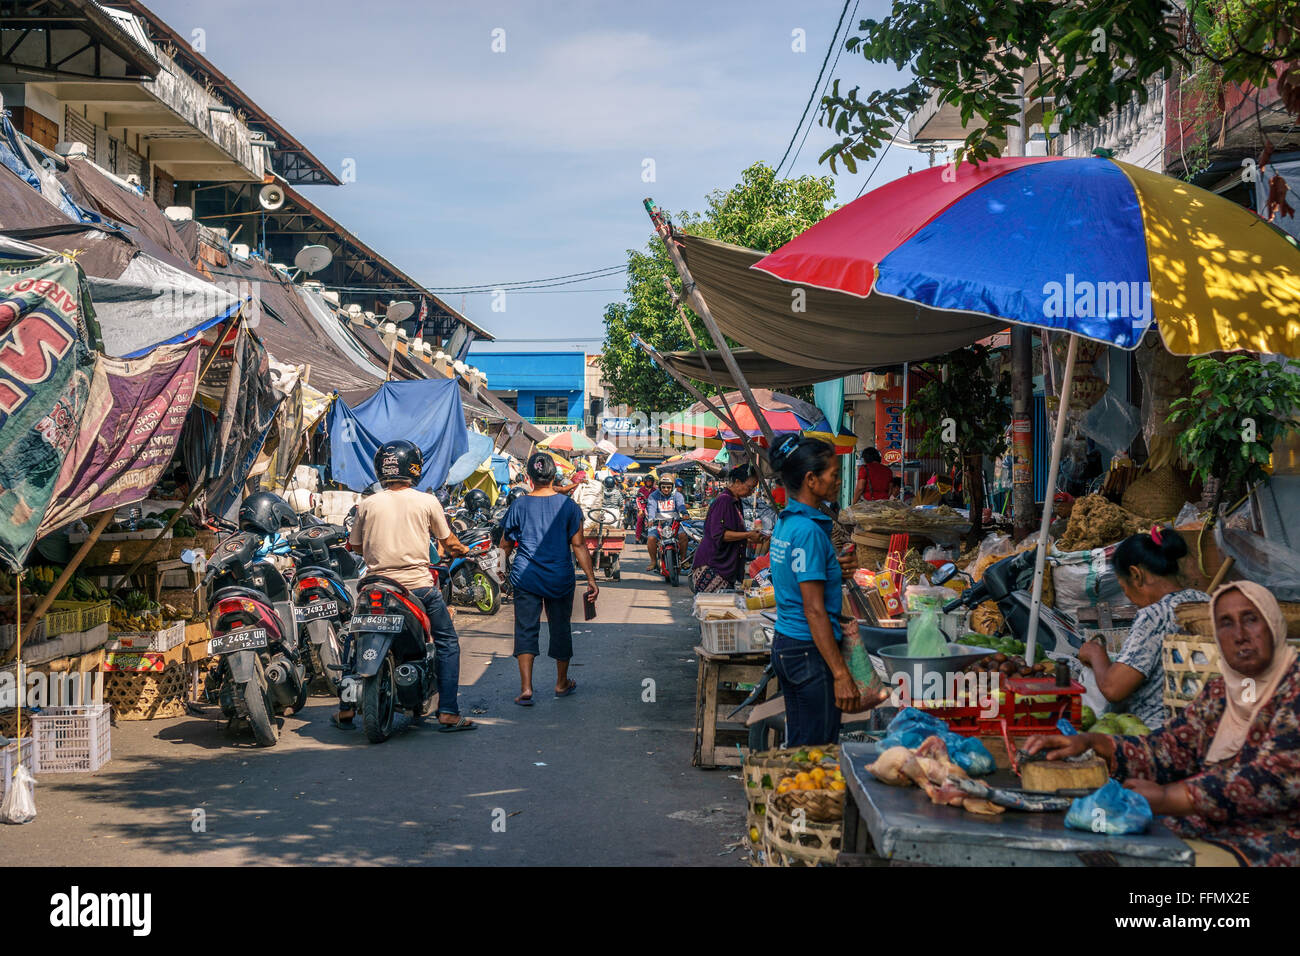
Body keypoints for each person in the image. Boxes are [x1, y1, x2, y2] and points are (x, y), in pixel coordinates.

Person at [1028, 581, 1300, 867]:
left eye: (1251, 619)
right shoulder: (1221, 693)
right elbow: (1171, 747)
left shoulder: (1293, 689)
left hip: (1272, 843)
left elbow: (1277, 778)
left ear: (1273, 623)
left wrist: (1170, 797)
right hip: (1208, 828)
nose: (1240, 635)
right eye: (1226, 624)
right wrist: (1094, 744)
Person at [344, 440, 476, 732]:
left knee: (353, 635)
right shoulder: (427, 501)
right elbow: (449, 542)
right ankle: (449, 712)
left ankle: (344, 710)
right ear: (414, 468)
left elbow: (353, 546)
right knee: (448, 643)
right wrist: (463, 551)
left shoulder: (366, 504)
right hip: (418, 589)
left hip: (374, 586)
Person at [768, 435, 888, 746]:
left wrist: (831, 566)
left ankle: (796, 794)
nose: (838, 481)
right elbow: (814, 609)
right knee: (817, 749)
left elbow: (797, 574)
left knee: (800, 744)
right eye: (833, 475)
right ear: (811, 479)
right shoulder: (808, 531)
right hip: (809, 650)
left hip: (788, 645)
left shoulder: (787, 521)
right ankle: (808, 795)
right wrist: (840, 673)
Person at [1076, 527, 1208, 731]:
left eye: (1124, 587)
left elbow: (1114, 688)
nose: (1128, 596)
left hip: (1155, 730)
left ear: (1136, 575)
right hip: (1200, 719)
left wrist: (1096, 654)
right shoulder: (1204, 600)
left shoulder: (1155, 615)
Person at [500, 452, 599, 706]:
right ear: (554, 476)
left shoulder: (518, 505)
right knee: (560, 627)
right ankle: (561, 682)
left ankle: (526, 688)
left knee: (525, 629)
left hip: (526, 577)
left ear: (529, 478)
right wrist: (591, 579)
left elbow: (505, 544)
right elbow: (578, 546)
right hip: (560, 577)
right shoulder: (569, 506)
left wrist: (502, 571)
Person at [691, 464, 764, 593]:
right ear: (737, 482)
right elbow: (719, 535)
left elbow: (735, 534)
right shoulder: (724, 501)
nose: (752, 491)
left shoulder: (736, 501)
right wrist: (748, 535)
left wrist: (753, 537)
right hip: (713, 567)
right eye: (750, 487)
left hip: (725, 567)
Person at [645, 475, 688, 573]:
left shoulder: (678, 495)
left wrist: (684, 513)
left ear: (672, 487)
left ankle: (683, 559)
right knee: (651, 539)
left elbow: (681, 506)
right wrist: (651, 519)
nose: (666, 489)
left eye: (668, 487)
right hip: (658, 523)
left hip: (675, 523)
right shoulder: (653, 496)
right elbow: (651, 508)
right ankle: (653, 561)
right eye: (663, 487)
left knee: (683, 536)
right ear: (659, 487)